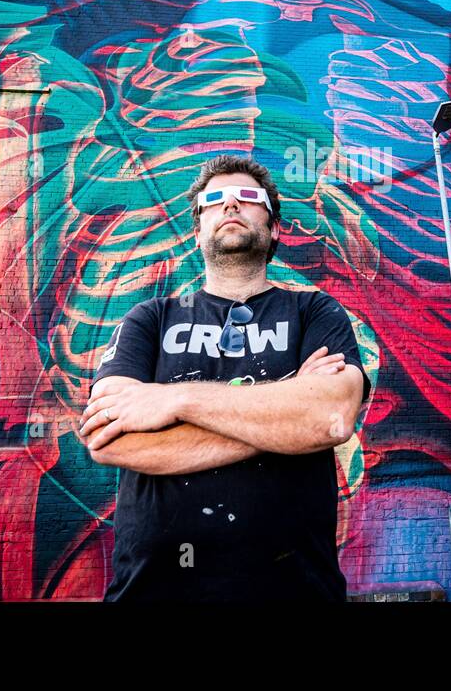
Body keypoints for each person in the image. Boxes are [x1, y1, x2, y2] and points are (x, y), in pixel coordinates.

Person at [77, 153, 372, 601]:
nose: (231, 206)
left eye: (249, 198)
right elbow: (108, 439)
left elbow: (329, 419)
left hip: (294, 590)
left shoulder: (315, 311)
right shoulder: (150, 320)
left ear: (274, 228)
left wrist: (177, 402)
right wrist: (288, 413)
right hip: (153, 590)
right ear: (197, 232)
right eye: (215, 200)